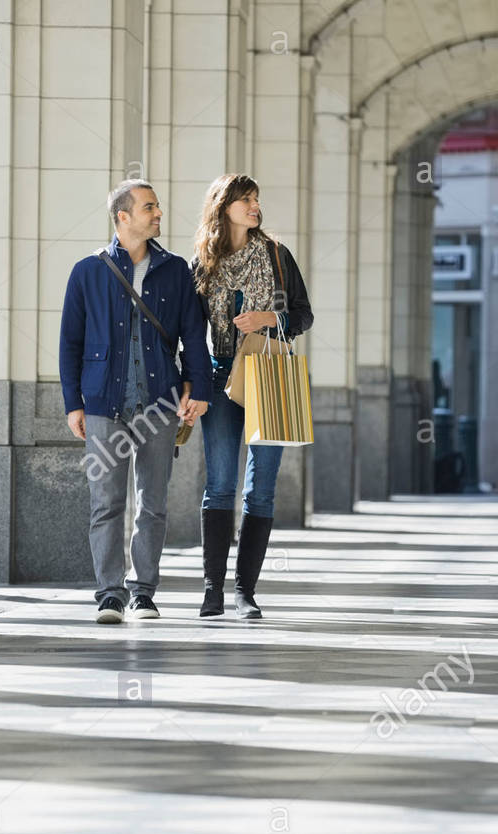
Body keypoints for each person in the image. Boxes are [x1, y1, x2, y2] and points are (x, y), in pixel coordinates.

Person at [59, 180, 212, 624]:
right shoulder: (88, 271)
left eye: (158, 207)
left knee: (153, 502)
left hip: (160, 403)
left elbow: (192, 336)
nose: (158, 213)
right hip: (105, 403)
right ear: (123, 216)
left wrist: (196, 387)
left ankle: (143, 592)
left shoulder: (177, 270)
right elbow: (70, 342)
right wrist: (74, 403)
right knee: (105, 502)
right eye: (149, 207)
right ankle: (109, 595)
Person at [189, 174, 313, 620]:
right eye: (245, 200)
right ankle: (212, 591)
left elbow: (304, 315)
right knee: (219, 484)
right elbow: (189, 327)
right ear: (223, 207)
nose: (254, 206)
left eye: (257, 199)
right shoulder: (203, 262)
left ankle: (245, 592)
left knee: (260, 488)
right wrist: (190, 383)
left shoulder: (277, 255)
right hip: (220, 373)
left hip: (269, 370)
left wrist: (267, 315)